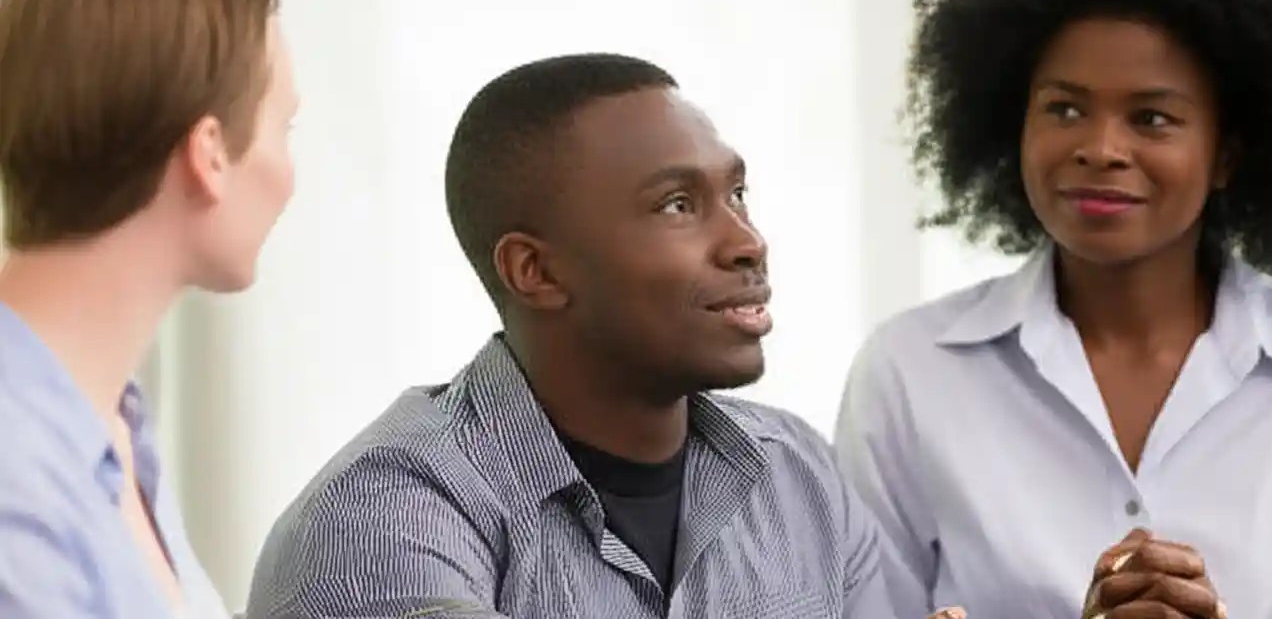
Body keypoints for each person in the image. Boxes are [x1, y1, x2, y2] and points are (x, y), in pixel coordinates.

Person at [245, 53, 960, 619]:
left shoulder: (798, 473)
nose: (748, 242)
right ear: (536, 272)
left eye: (736, 194)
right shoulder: (376, 524)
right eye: (678, 205)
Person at [833, 0, 1272, 617]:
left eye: (1151, 118)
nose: (1100, 148)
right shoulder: (912, 374)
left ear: (1227, 153)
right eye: (1065, 108)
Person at [0, 0, 297, 618]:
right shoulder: (17, 463)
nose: (289, 177)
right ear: (210, 152)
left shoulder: (114, 422)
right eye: (286, 128)